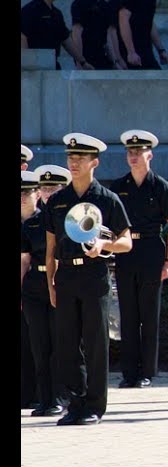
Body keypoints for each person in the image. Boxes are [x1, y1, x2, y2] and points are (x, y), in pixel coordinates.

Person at [42, 133, 133, 425]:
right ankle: (75, 403)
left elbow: (126, 242)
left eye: (80, 158)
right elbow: (50, 249)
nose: (74, 163)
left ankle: (94, 405)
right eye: (71, 158)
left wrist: (103, 246)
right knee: (68, 343)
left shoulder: (107, 199)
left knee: (95, 342)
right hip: (66, 275)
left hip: (95, 275)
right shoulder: (57, 200)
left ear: (95, 162)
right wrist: (51, 284)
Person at [109, 130, 168, 389]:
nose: (134, 156)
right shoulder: (118, 187)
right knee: (128, 313)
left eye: (139, 152)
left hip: (151, 250)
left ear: (150, 155)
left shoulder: (161, 187)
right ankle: (129, 372)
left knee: (149, 314)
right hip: (126, 252)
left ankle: (147, 372)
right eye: (130, 152)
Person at [22, 170, 66, 417]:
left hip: (59, 283)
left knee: (58, 344)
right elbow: (24, 260)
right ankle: (44, 398)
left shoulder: (65, 220)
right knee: (39, 344)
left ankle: (58, 397)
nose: (48, 194)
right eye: (45, 189)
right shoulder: (32, 223)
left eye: (52, 189)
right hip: (34, 285)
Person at [21, 0, 89, 70]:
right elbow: (23, 39)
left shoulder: (56, 13)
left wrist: (82, 62)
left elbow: (66, 40)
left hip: (53, 67)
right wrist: (25, 67)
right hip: (34, 69)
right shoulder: (29, 11)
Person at [70, 0, 124, 70]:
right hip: (89, 59)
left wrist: (114, 61)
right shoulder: (80, 2)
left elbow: (107, 36)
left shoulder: (104, 5)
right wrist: (80, 62)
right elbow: (76, 34)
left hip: (104, 59)